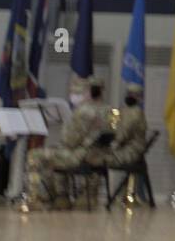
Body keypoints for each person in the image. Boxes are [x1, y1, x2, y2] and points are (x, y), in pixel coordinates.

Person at [25, 75, 113, 208]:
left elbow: (69, 141)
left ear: (88, 91)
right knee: (57, 154)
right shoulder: (109, 110)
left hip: (79, 157)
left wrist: (65, 129)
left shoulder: (83, 110)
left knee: (34, 155)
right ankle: (62, 198)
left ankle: (38, 199)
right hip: (99, 156)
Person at [88, 87, 150, 203]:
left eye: (133, 94)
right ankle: (93, 195)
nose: (130, 96)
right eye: (128, 93)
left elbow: (124, 134)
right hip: (123, 149)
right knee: (95, 154)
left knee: (95, 158)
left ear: (139, 98)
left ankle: (91, 196)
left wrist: (112, 144)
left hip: (131, 151)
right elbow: (112, 127)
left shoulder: (136, 113)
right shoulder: (125, 110)